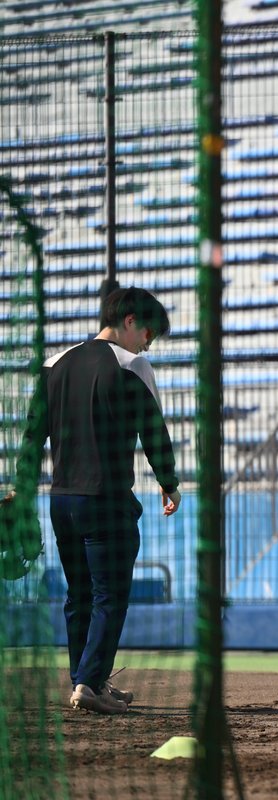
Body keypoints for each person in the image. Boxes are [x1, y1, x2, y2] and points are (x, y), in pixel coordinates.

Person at [13, 287, 181, 714]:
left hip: (62, 501)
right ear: (129, 321)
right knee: (110, 595)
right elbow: (154, 432)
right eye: (148, 332)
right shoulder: (132, 365)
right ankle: (89, 683)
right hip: (106, 501)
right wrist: (170, 481)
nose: (148, 342)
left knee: (79, 595)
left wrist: (23, 484)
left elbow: (34, 434)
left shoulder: (55, 363)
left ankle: (85, 679)